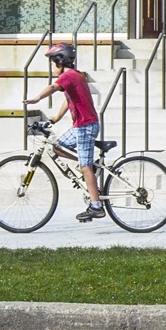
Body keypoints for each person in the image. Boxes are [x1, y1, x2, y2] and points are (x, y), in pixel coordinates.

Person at [34, 41, 111, 221]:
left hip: (85, 126)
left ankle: (96, 206)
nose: (52, 68)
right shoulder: (75, 76)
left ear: (59, 61)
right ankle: (88, 165)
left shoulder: (68, 76)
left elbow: (53, 87)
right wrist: (56, 118)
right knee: (57, 147)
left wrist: (37, 98)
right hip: (81, 126)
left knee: (85, 166)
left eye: (53, 64)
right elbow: (68, 99)